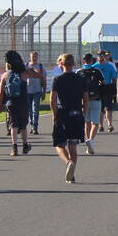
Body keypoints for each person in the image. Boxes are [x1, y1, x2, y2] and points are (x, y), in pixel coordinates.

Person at [51, 54, 88, 183]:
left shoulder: (57, 79)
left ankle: (68, 163)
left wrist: (54, 114)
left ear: (62, 64)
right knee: (73, 145)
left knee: (59, 144)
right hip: (77, 113)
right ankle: (71, 175)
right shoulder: (80, 78)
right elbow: (85, 97)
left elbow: (52, 100)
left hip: (63, 113)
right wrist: (84, 110)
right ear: (73, 64)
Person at [0, 50, 32, 157]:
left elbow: (1, 91)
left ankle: (14, 146)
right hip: (23, 101)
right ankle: (25, 145)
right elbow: (38, 76)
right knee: (23, 125)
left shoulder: (5, 75)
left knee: (13, 125)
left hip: (10, 102)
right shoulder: (24, 74)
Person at [79, 53, 105, 153]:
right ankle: (91, 140)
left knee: (87, 123)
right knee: (96, 123)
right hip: (95, 98)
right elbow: (103, 83)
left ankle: (88, 144)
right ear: (92, 61)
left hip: (84, 100)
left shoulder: (79, 72)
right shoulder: (97, 71)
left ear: (83, 61)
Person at [25, 51, 47, 136]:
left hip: (37, 91)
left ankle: (35, 126)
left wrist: (44, 92)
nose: (34, 58)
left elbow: (44, 80)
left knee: (35, 109)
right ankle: (31, 125)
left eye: (35, 57)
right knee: (29, 110)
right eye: (32, 56)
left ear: (37, 57)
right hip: (27, 91)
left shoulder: (41, 67)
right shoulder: (26, 66)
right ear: (30, 57)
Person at [96, 50, 118, 131]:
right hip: (98, 89)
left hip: (108, 87)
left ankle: (110, 125)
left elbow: (114, 79)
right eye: (100, 55)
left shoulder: (110, 66)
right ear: (97, 56)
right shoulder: (94, 66)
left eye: (103, 55)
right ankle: (101, 126)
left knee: (108, 107)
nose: (101, 56)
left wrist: (115, 90)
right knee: (100, 108)